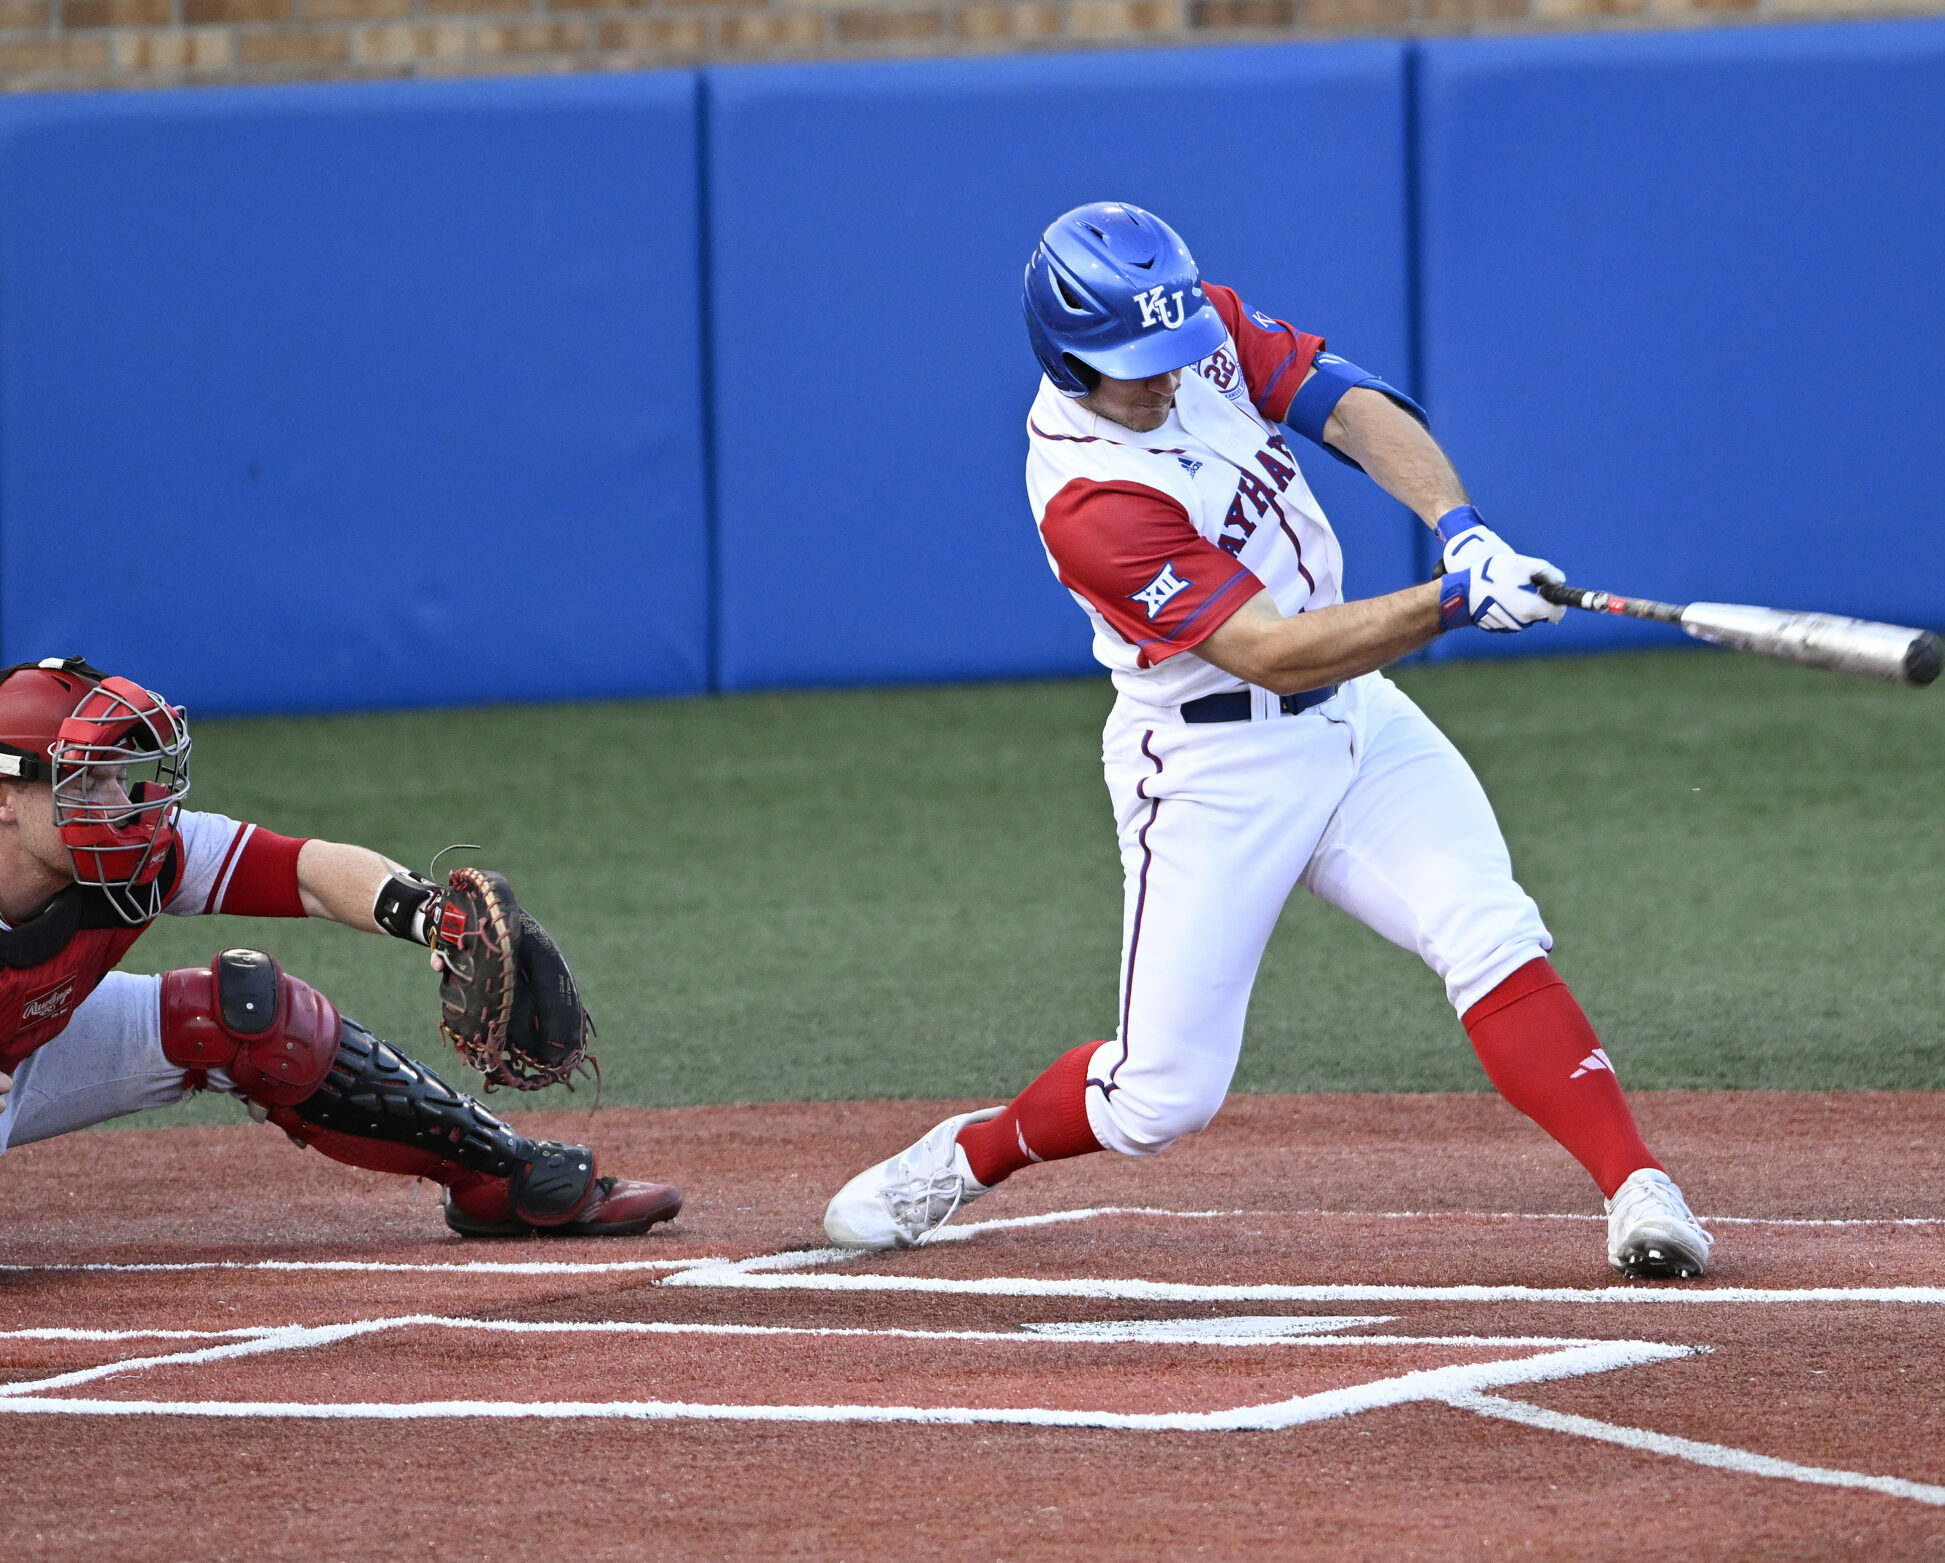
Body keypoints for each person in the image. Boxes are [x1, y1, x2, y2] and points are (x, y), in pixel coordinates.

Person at [824, 202, 1710, 1279]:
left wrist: (1461, 528)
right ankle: (968, 1155)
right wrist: (1451, 603)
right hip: (1209, 770)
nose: (1165, 373)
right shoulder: (1089, 495)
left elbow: (1348, 409)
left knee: (1487, 927)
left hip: (1357, 720)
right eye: (1132, 362)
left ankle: (1636, 1185)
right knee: (1161, 1098)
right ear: (1066, 361)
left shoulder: (1196, 331)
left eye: (1172, 345)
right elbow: (1274, 652)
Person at [0, 656, 681, 1237]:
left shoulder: (142, 854)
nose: (120, 801)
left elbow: (307, 871)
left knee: (243, 1012)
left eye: (118, 773)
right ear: (5, 795)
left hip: (23, 1051)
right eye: (85, 781)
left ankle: (500, 1174)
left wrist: (435, 919)